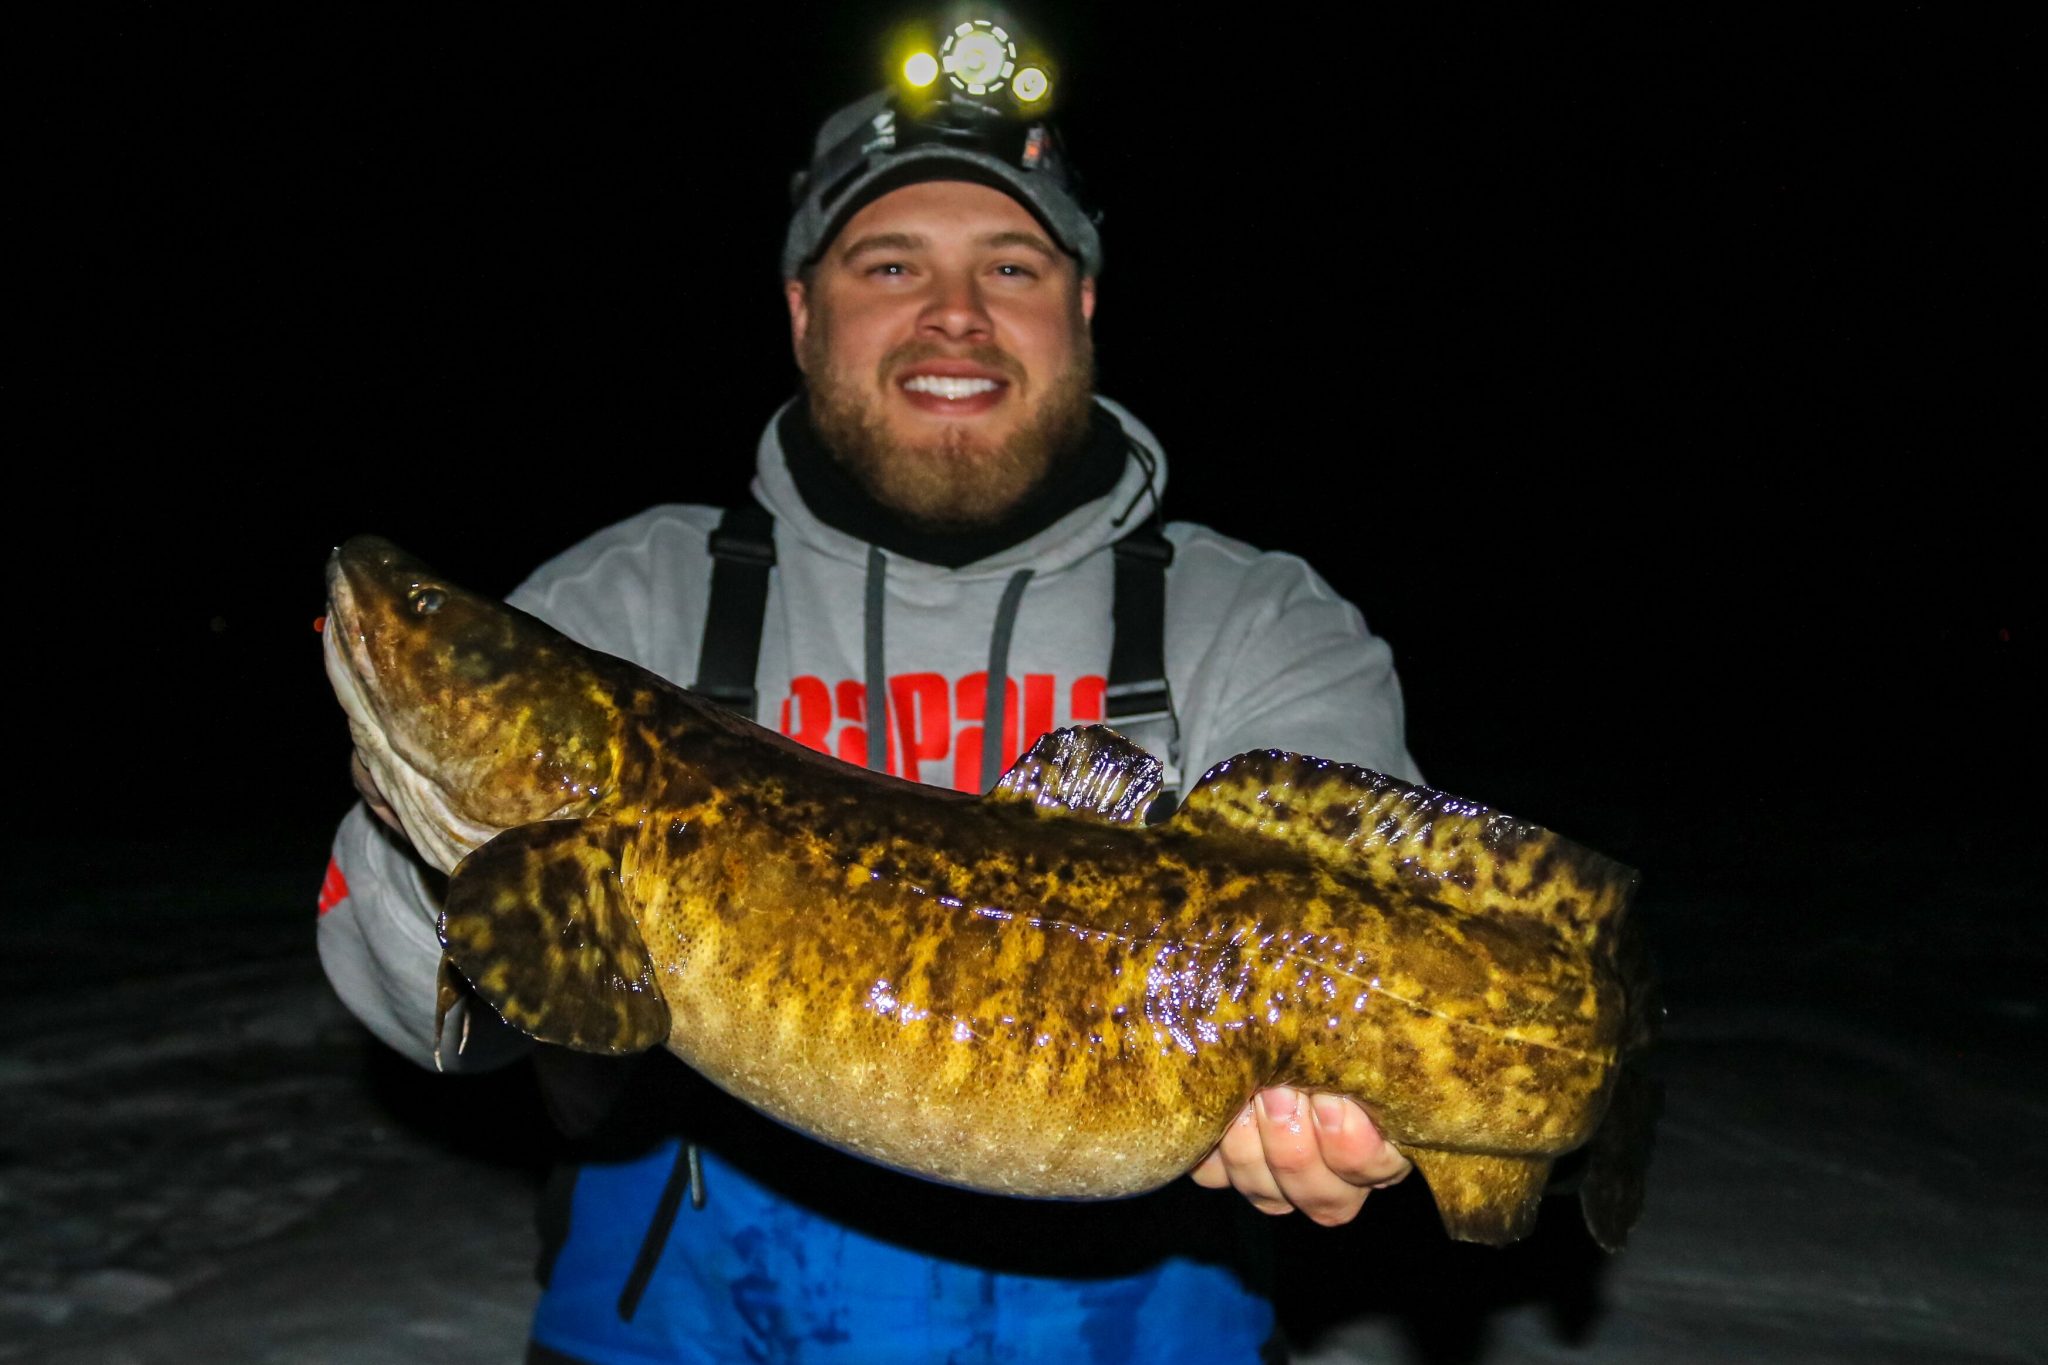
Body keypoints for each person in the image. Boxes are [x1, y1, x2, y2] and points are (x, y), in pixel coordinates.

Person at [319, 61, 1421, 1365]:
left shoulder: (1261, 622)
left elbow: (1375, 926)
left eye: (1010, 267)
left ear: (1082, 303)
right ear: (800, 311)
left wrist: (1364, 1085)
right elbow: (418, 1020)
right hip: (678, 1334)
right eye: (889, 266)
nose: (954, 315)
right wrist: (422, 827)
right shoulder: (625, 600)